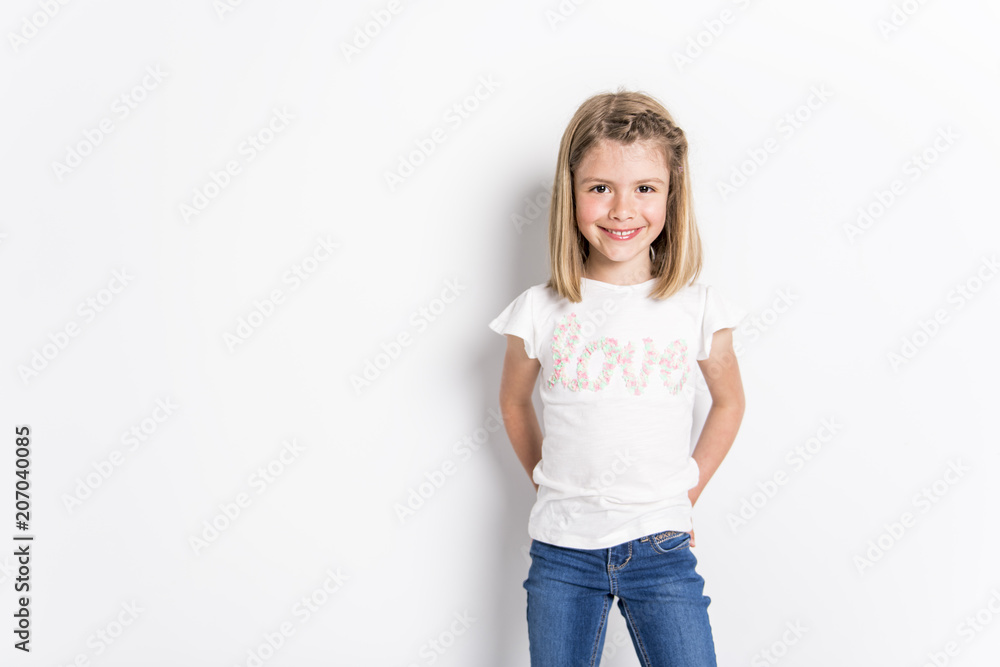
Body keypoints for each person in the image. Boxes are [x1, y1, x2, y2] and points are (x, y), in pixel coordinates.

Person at [488, 89, 748, 666]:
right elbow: (513, 401)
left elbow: (729, 404)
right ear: (572, 193)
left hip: (661, 549)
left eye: (645, 189)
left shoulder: (696, 307)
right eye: (600, 187)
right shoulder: (539, 309)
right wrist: (548, 482)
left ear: (671, 196)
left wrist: (685, 495)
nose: (621, 209)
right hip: (562, 555)